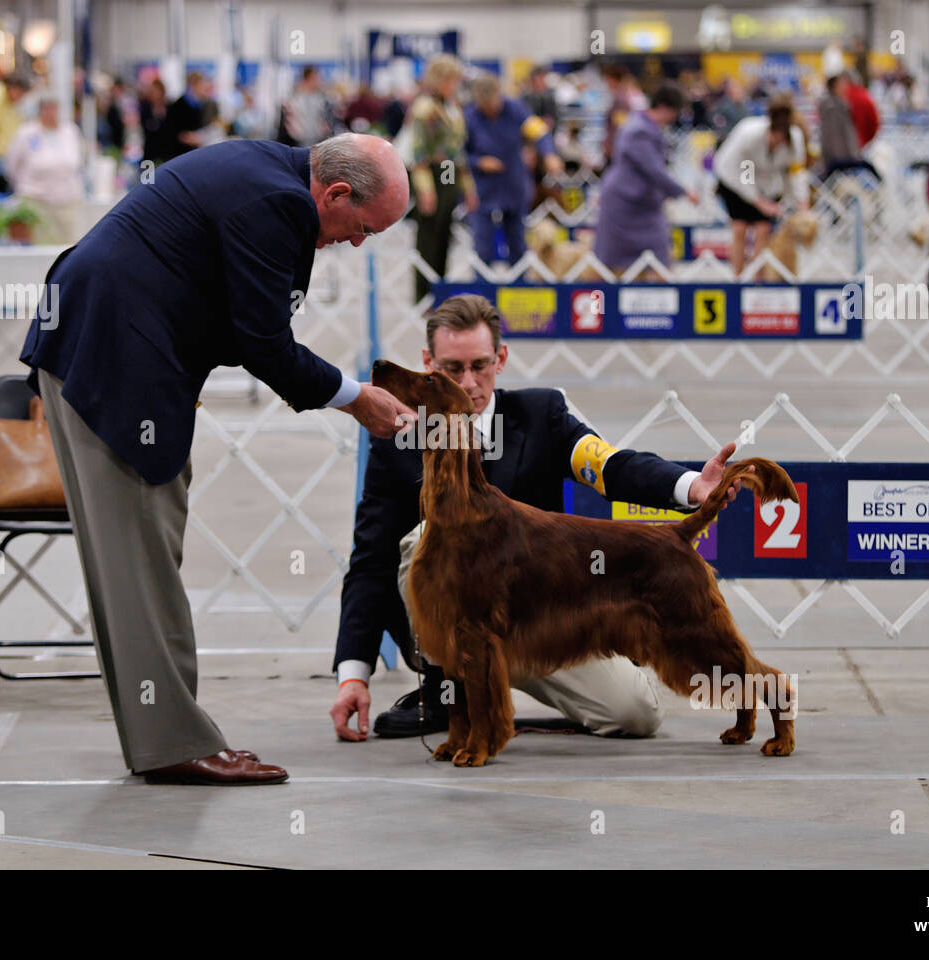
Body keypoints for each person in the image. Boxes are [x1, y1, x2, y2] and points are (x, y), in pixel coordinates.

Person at [20, 133, 415, 785]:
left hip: (107, 346)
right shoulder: (277, 201)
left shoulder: (262, 168)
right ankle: (174, 744)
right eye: (362, 227)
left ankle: (166, 735)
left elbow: (238, 320)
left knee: (145, 557)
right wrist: (355, 399)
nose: (357, 243)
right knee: (139, 565)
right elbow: (263, 343)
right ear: (337, 193)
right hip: (114, 359)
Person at [330, 294, 745, 741]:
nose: (469, 382)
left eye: (480, 365)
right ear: (428, 362)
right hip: (454, 626)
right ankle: (446, 694)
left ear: (501, 359)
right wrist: (353, 674)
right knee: (428, 539)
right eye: (452, 369)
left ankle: (493, 695)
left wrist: (690, 487)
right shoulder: (399, 438)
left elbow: (612, 466)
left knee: (634, 715)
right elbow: (371, 557)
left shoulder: (540, 415)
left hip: (541, 618)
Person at [593, 82, 698, 272]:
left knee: (653, 261)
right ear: (665, 108)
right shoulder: (638, 130)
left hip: (642, 205)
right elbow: (653, 169)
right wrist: (683, 192)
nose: (675, 118)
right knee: (617, 265)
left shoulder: (642, 124)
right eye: (676, 112)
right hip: (625, 203)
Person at [463, 72, 561, 267]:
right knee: (482, 247)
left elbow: (540, 133)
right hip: (483, 189)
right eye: (485, 106)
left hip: (513, 185)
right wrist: (478, 161)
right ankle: (480, 292)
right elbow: (455, 154)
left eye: (493, 103)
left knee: (518, 246)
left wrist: (549, 154)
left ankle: (519, 290)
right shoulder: (469, 117)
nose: (491, 109)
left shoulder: (516, 109)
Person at [711, 93, 811, 276]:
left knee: (762, 231)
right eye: (775, 137)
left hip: (766, 182)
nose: (777, 142)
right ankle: (738, 278)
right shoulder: (749, 135)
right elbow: (744, 176)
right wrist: (759, 202)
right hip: (734, 178)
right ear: (770, 130)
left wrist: (803, 204)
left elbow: (797, 174)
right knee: (739, 229)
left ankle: (758, 279)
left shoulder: (795, 140)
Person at [408, 54, 478, 302]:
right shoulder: (424, 109)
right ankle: (422, 295)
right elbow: (419, 155)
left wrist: (468, 188)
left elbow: (457, 152)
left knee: (445, 236)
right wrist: (425, 191)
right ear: (439, 80)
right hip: (431, 175)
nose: (455, 85)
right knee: (428, 238)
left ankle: (439, 292)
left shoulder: (453, 107)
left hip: (450, 173)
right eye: (451, 80)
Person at [5, 96, 84, 243]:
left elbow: (77, 162)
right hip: (36, 201)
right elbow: (12, 165)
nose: (51, 113)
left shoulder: (70, 131)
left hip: (66, 201)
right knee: (40, 243)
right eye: (46, 109)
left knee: (67, 243)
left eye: (54, 109)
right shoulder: (26, 133)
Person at [817, 73, 880, 180]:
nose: (845, 87)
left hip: (844, 154)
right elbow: (835, 135)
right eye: (841, 84)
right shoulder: (833, 107)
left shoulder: (838, 104)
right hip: (842, 156)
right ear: (835, 86)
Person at [161, 72, 213, 159]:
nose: (204, 88)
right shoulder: (178, 105)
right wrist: (185, 136)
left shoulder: (200, 104)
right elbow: (171, 130)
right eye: (202, 85)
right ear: (193, 85)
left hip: (192, 151)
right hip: (179, 153)